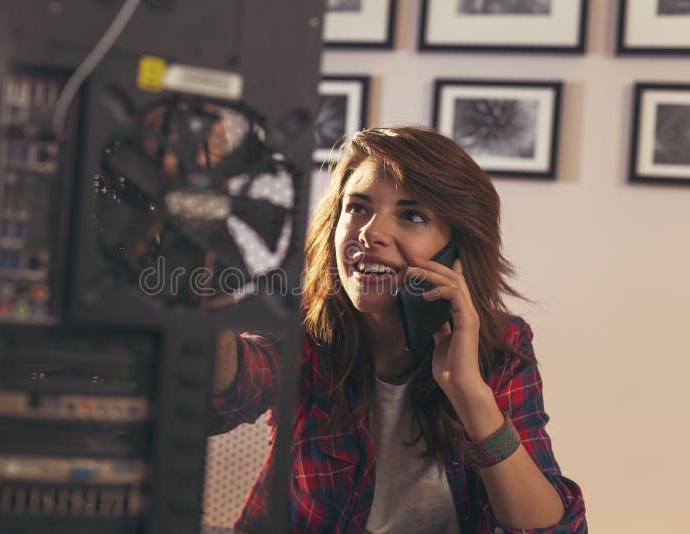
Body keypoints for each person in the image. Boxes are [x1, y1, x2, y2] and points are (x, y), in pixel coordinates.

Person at [209, 126, 587, 533]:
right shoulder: (304, 329)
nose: (370, 233)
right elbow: (226, 394)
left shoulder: (502, 345)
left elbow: (555, 529)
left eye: (411, 215)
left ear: (456, 250)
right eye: (356, 208)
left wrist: (469, 392)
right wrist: (206, 245)